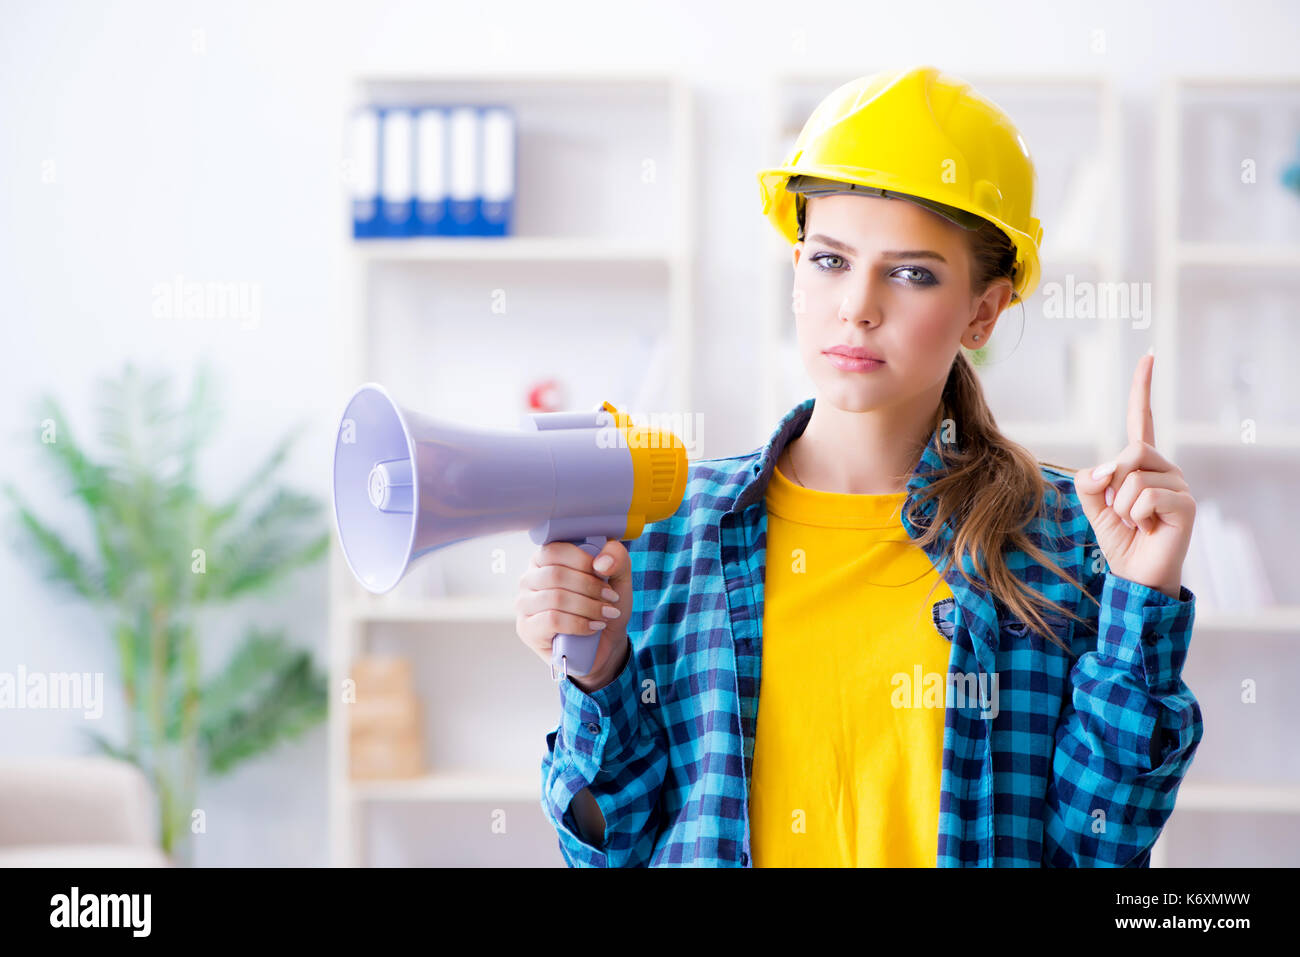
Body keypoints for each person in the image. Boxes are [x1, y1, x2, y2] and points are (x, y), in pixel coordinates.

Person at [517, 65, 1201, 867]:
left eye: (911, 273)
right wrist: (597, 676)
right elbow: (608, 850)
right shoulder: (666, 534)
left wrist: (1139, 603)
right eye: (831, 260)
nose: (858, 305)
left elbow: (1100, 851)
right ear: (797, 268)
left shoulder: (1071, 542)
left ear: (984, 309)